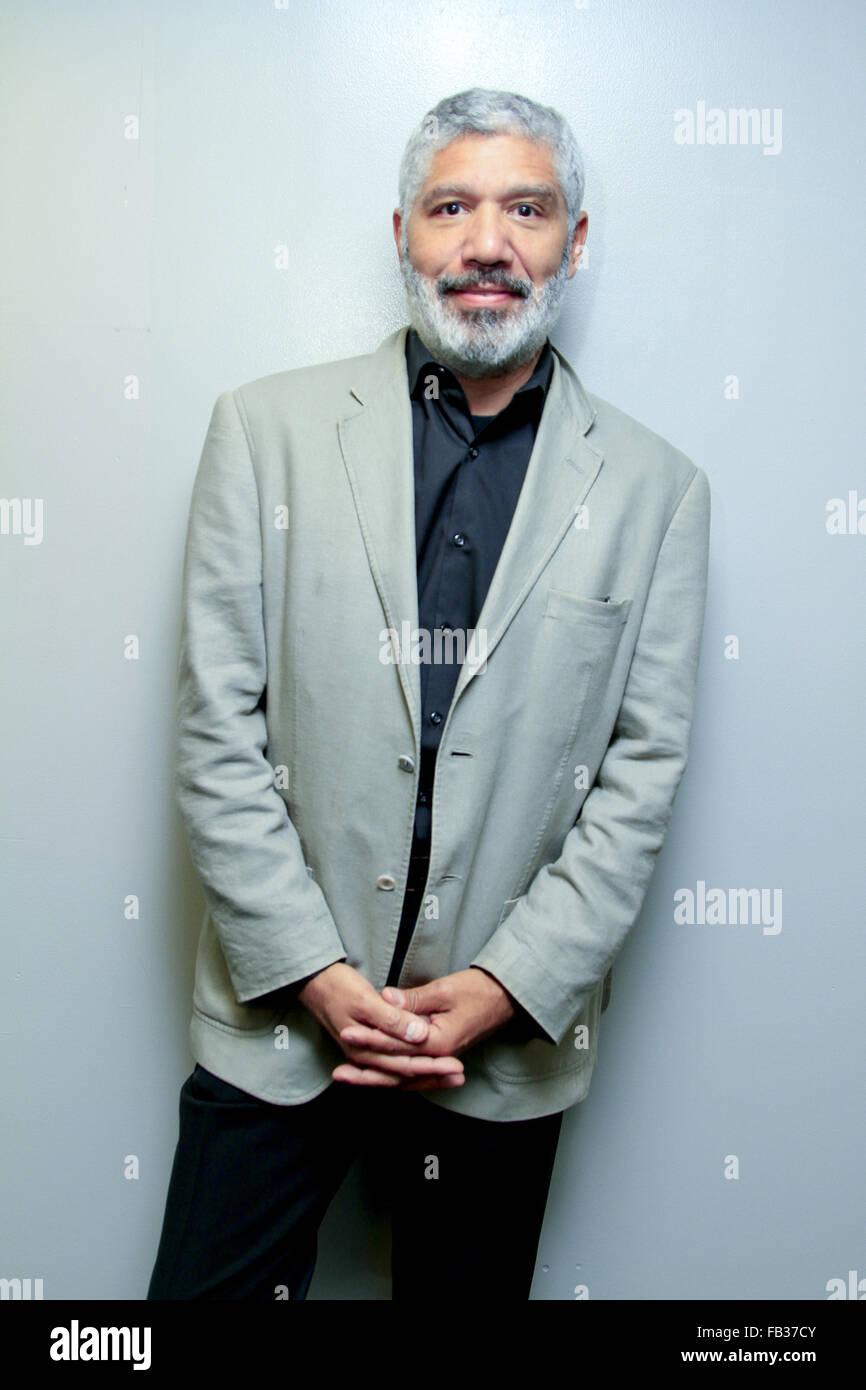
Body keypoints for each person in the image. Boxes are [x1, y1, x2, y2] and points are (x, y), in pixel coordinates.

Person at [147, 87, 710, 1301]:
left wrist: (505, 987)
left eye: (526, 210)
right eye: (451, 207)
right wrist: (310, 969)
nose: (486, 242)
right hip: (279, 1020)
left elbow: (637, 780)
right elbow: (214, 731)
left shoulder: (658, 492)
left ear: (574, 240)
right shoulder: (261, 432)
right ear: (400, 231)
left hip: (497, 1051)